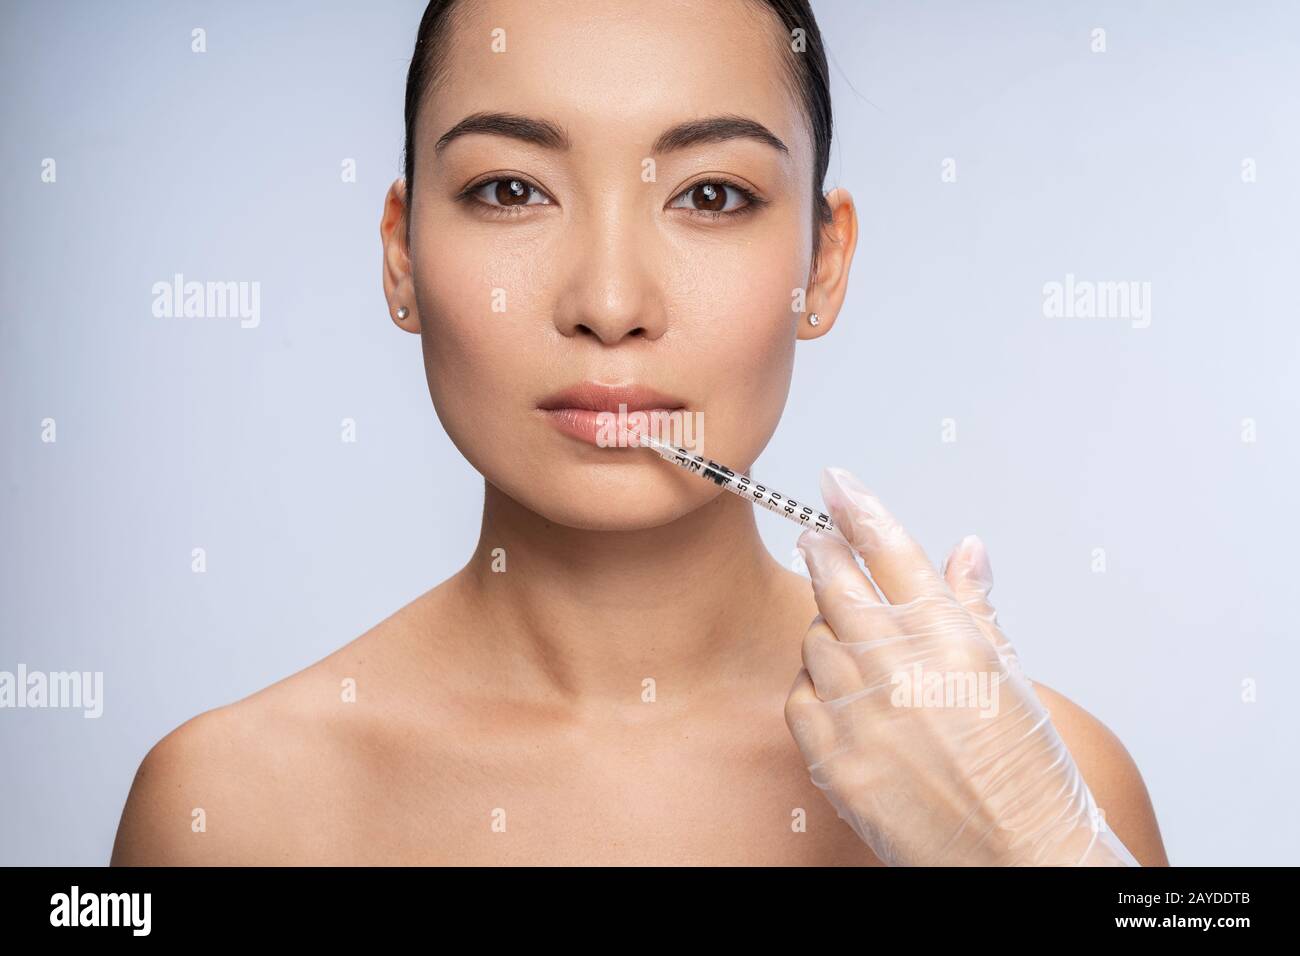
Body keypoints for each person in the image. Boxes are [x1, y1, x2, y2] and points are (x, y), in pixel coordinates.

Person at [111, 0, 1168, 866]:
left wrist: (1031, 854)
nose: (609, 302)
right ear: (401, 255)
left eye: (710, 195)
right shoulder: (225, 809)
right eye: (510, 189)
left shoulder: (1049, 788)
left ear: (823, 260)